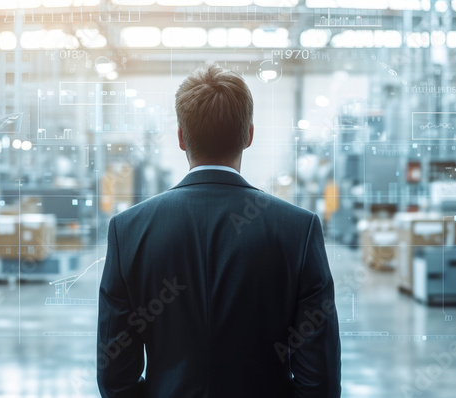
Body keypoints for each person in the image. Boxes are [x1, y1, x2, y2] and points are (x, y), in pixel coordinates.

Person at [97, 64, 341, 398]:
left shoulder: (128, 230)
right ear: (249, 135)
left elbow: (115, 380)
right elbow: (320, 382)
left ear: (181, 137)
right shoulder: (298, 230)